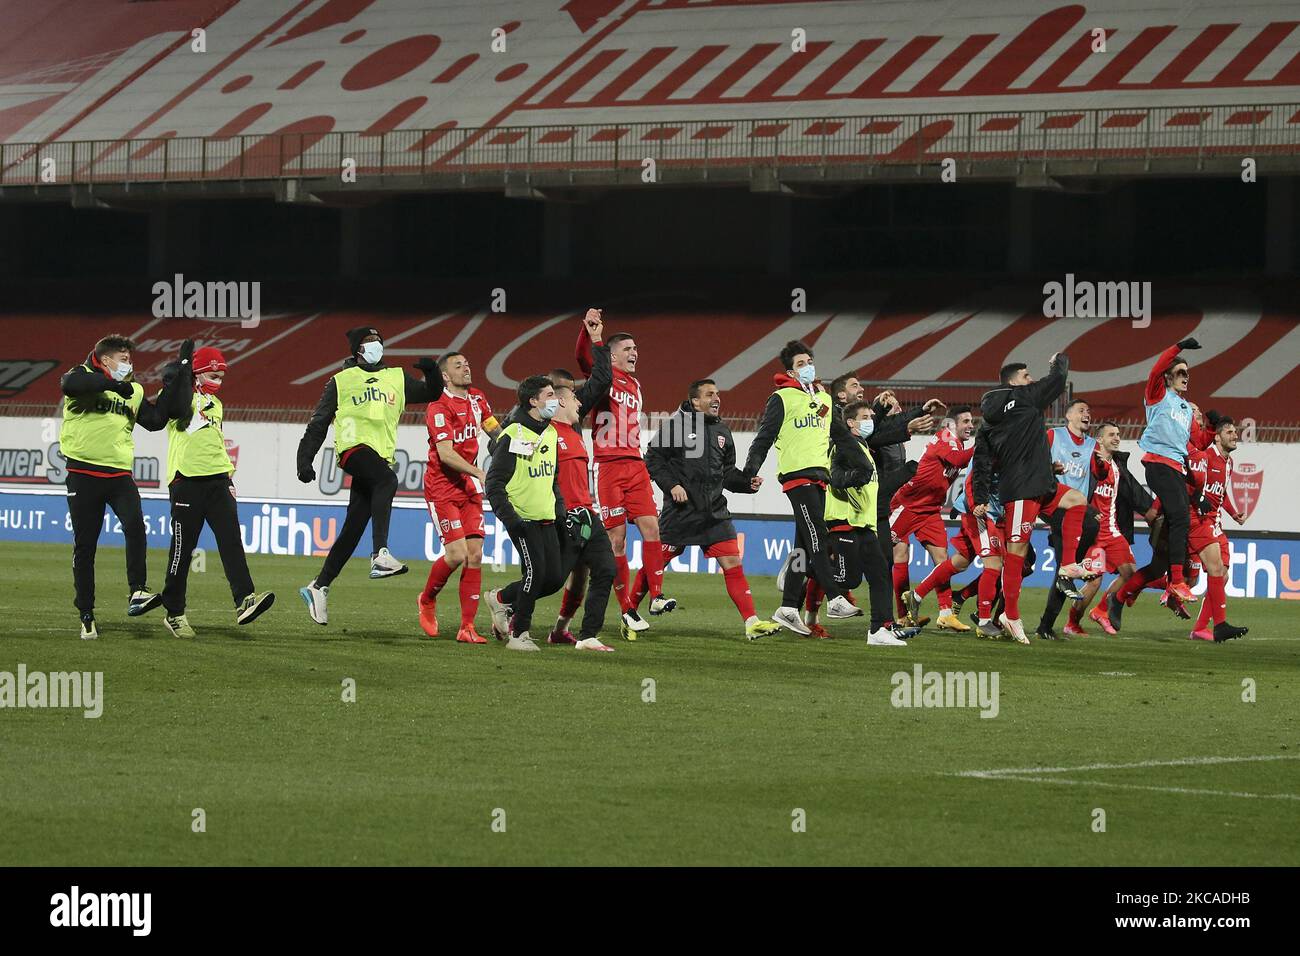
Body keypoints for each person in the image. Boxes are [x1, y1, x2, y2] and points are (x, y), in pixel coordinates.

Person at [296, 327, 444, 625]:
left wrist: (432, 372)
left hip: (378, 455)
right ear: (357, 351)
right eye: (368, 342)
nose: (375, 345)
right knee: (387, 480)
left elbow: (432, 392)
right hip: (353, 448)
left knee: (353, 527)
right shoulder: (340, 381)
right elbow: (319, 422)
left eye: (378, 340)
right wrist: (305, 459)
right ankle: (380, 554)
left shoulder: (396, 377)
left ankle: (319, 586)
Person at [60, 333, 194, 639]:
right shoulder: (82, 376)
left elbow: (158, 419)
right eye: (124, 359)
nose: (129, 364)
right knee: (85, 546)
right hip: (83, 472)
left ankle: (137, 591)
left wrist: (181, 374)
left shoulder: (132, 390)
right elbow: (69, 386)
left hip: (119, 475)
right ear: (105, 360)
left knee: (135, 526)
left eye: (130, 359)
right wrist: (112, 384)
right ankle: (86, 612)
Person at [639, 379, 782, 641]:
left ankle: (752, 622)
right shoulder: (675, 425)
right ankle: (630, 615)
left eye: (717, 393)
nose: (717, 398)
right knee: (655, 564)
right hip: (681, 511)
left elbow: (726, 474)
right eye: (709, 394)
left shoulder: (723, 432)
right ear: (695, 401)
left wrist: (746, 484)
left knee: (732, 563)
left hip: (714, 512)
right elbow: (653, 459)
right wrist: (672, 486)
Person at [742, 340, 860, 634]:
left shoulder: (823, 399)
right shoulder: (781, 398)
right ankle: (834, 598)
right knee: (817, 534)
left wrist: (862, 462)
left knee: (802, 548)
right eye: (801, 364)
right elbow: (763, 438)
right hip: (797, 477)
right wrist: (749, 472)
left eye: (809, 361)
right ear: (791, 372)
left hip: (820, 477)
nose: (808, 367)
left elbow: (840, 435)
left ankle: (787, 607)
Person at [973, 354, 1092, 644]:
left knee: (1077, 499)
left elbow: (983, 461)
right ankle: (1010, 614)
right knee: (1017, 551)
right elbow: (1058, 380)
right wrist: (1059, 360)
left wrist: (980, 494)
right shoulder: (1024, 396)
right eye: (1027, 376)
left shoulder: (989, 421)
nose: (1030, 380)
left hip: (1039, 482)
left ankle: (1065, 565)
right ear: (1014, 382)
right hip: (1023, 489)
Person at [158, 347, 275, 638]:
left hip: (218, 483)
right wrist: (183, 372)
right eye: (212, 375)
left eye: (221, 376)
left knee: (231, 542)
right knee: (183, 551)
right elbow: (171, 406)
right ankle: (174, 612)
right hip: (186, 482)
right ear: (195, 374)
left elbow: (215, 443)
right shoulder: (179, 398)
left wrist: (228, 478)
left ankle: (244, 599)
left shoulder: (216, 404)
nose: (218, 381)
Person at [575, 315, 672, 634]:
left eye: (636, 348)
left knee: (652, 528)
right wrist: (590, 333)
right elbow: (582, 357)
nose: (635, 353)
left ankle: (656, 596)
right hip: (608, 466)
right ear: (612, 354)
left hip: (635, 464)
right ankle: (627, 609)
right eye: (628, 348)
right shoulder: (601, 376)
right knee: (616, 540)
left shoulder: (635, 384)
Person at [417, 351, 501, 643]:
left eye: (467, 363)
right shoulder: (438, 408)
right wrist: (479, 472)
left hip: (469, 488)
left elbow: (492, 428)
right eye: (458, 365)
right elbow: (446, 454)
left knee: (475, 554)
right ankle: (427, 599)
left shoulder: (478, 398)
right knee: (457, 554)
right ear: (444, 375)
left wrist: (509, 447)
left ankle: (467, 627)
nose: (466, 368)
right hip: (442, 488)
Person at [483, 376, 568, 652]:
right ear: (533, 401)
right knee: (535, 572)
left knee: (554, 578)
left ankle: (501, 598)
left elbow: (552, 478)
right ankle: (519, 633)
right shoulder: (512, 435)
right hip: (523, 518)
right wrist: (511, 519)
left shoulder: (552, 433)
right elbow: (494, 483)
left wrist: (560, 511)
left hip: (547, 517)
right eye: (549, 395)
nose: (555, 400)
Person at [824, 402, 913, 645]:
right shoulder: (843, 448)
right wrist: (857, 476)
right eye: (864, 416)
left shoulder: (862, 447)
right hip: (845, 519)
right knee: (848, 579)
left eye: (870, 416)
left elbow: (873, 488)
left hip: (864, 523)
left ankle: (878, 630)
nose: (869, 420)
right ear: (850, 423)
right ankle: (804, 568)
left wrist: (907, 472)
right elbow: (835, 478)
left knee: (881, 574)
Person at [1136, 337, 1212, 606]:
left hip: (1176, 469)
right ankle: (1176, 582)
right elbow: (1155, 369)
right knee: (1180, 516)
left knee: (1178, 520)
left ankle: (1173, 582)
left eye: (1187, 374)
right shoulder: (1158, 395)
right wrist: (1178, 347)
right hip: (1158, 464)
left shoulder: (1185, 408)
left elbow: (1199, 442)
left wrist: (1211, 427)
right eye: (1180, 372)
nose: (1185, 377)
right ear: (1168, 377)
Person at [1052, 421, 1144, 637]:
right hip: (1091, 531)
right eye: (1111, 434)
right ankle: (1072, 623)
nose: (1117, 438)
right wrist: (1088, 513)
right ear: (1099, 439)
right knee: (1094, 580)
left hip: (1110, 529)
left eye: (1118, 434)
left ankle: (1101, 610)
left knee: (1130, 571)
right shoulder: (1089, 462)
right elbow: (1079, 490)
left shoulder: (1116, 467)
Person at [892, 405, 976, 631]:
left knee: (942, 558)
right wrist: (983, 446)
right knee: (899, 553)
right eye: (965, 421)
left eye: (971, 422)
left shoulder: (957, 443)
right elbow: (957, 460)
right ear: (952, 424)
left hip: (930, 509)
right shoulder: (945, 437)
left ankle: (946, 613)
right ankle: (903, 617)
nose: (970, 425)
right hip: (907, 504)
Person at [1035, 399, 1102, 639]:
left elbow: (1100, 474)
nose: (1087, 414)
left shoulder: (1093, 445)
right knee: (1067, 569)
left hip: (1078, 513)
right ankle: (1042, 623)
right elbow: (1035, 462)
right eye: (1082, 410)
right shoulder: (1053, 435)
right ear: (1069, 416)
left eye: (1089, 410)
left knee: (1065, 571)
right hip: (1055, 505)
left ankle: (1045, 625)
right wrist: (1051, 468)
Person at [1186, 413, 1249, 643]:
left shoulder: (1228, 463)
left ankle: (1201, 628)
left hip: (1216, 522)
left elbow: (1221, 491)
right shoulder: (1205, 456)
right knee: (1209, 572)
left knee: (1222, 575)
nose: (1235, 435)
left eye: (1235, 432)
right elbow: (1188, 483)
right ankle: (1219, 625)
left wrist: (1234, 513)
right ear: (1217, 437)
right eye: (1229, 432)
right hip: (1198, 519)